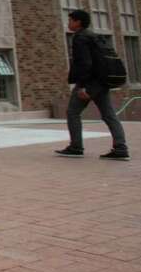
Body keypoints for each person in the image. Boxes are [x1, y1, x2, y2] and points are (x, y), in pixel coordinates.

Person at [55, 9, 130, 161]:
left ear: (78, 22)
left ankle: (76, 147)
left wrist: (82, 86)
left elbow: (85, 64)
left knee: (72, 112)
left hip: (89, 82)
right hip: (102, 82)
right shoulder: (94, 36)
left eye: (70, 20)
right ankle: (121, 148)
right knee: (109, 115)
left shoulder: (80, 38)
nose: (68, 23)